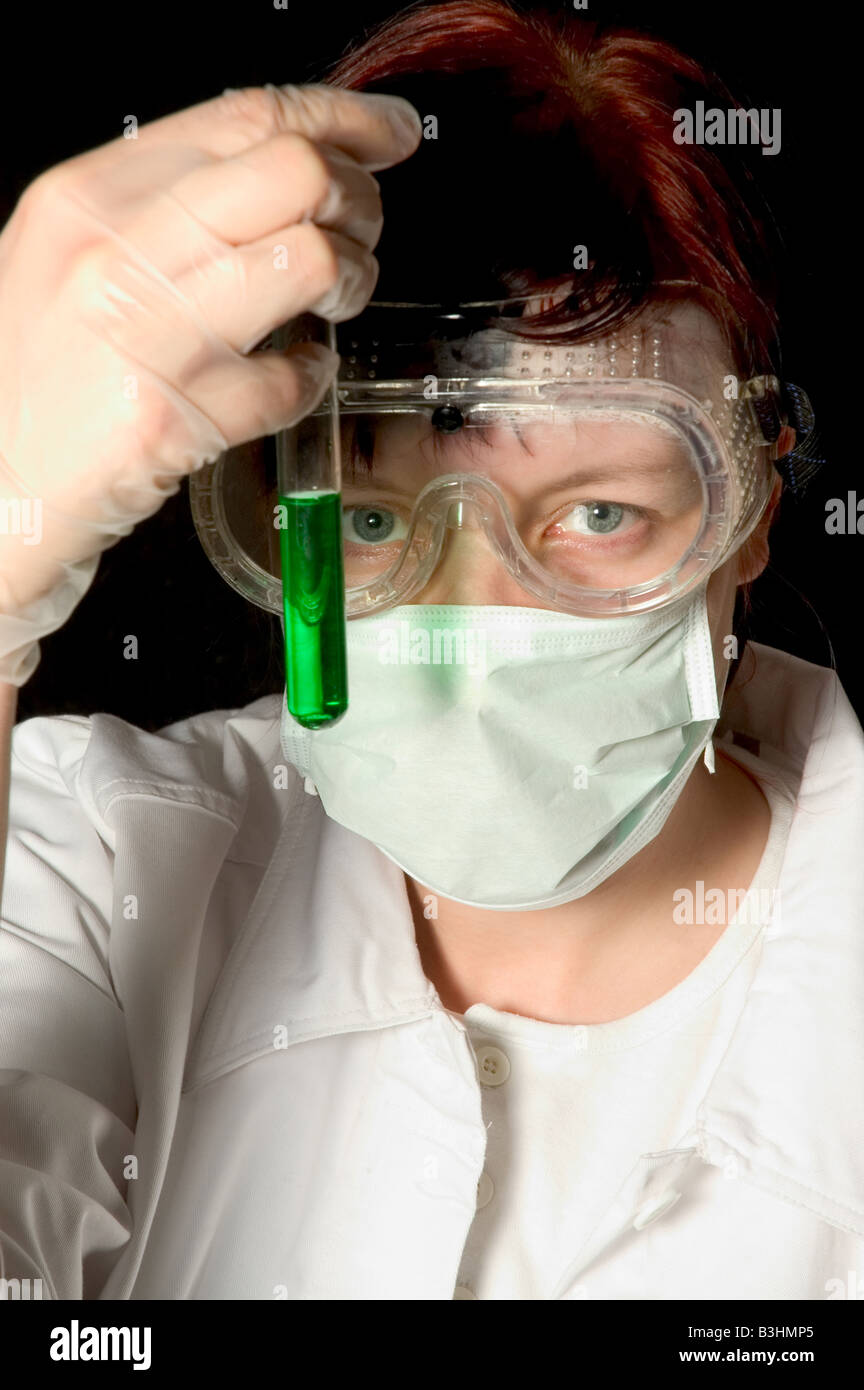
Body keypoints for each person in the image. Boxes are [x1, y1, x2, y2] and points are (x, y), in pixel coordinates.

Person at [0, 0, 861, 1303]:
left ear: (748, 516)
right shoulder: (107, 857)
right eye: (369, 519)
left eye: (599, 513)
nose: (477, 618)